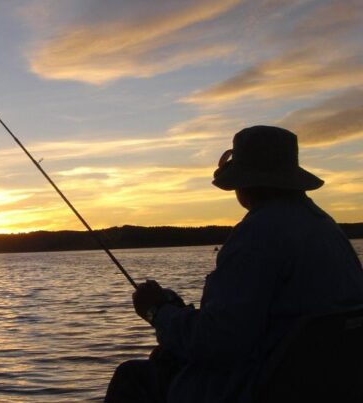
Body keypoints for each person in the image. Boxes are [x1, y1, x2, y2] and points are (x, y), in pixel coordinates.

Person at [104, 125, 363, 403]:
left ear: (245, 182)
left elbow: (216, 345)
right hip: (319, 385)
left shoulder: (257, 234)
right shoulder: (326, 228)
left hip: (257, 387)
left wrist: (158, 313)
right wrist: (178, 323)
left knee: (132, 377)